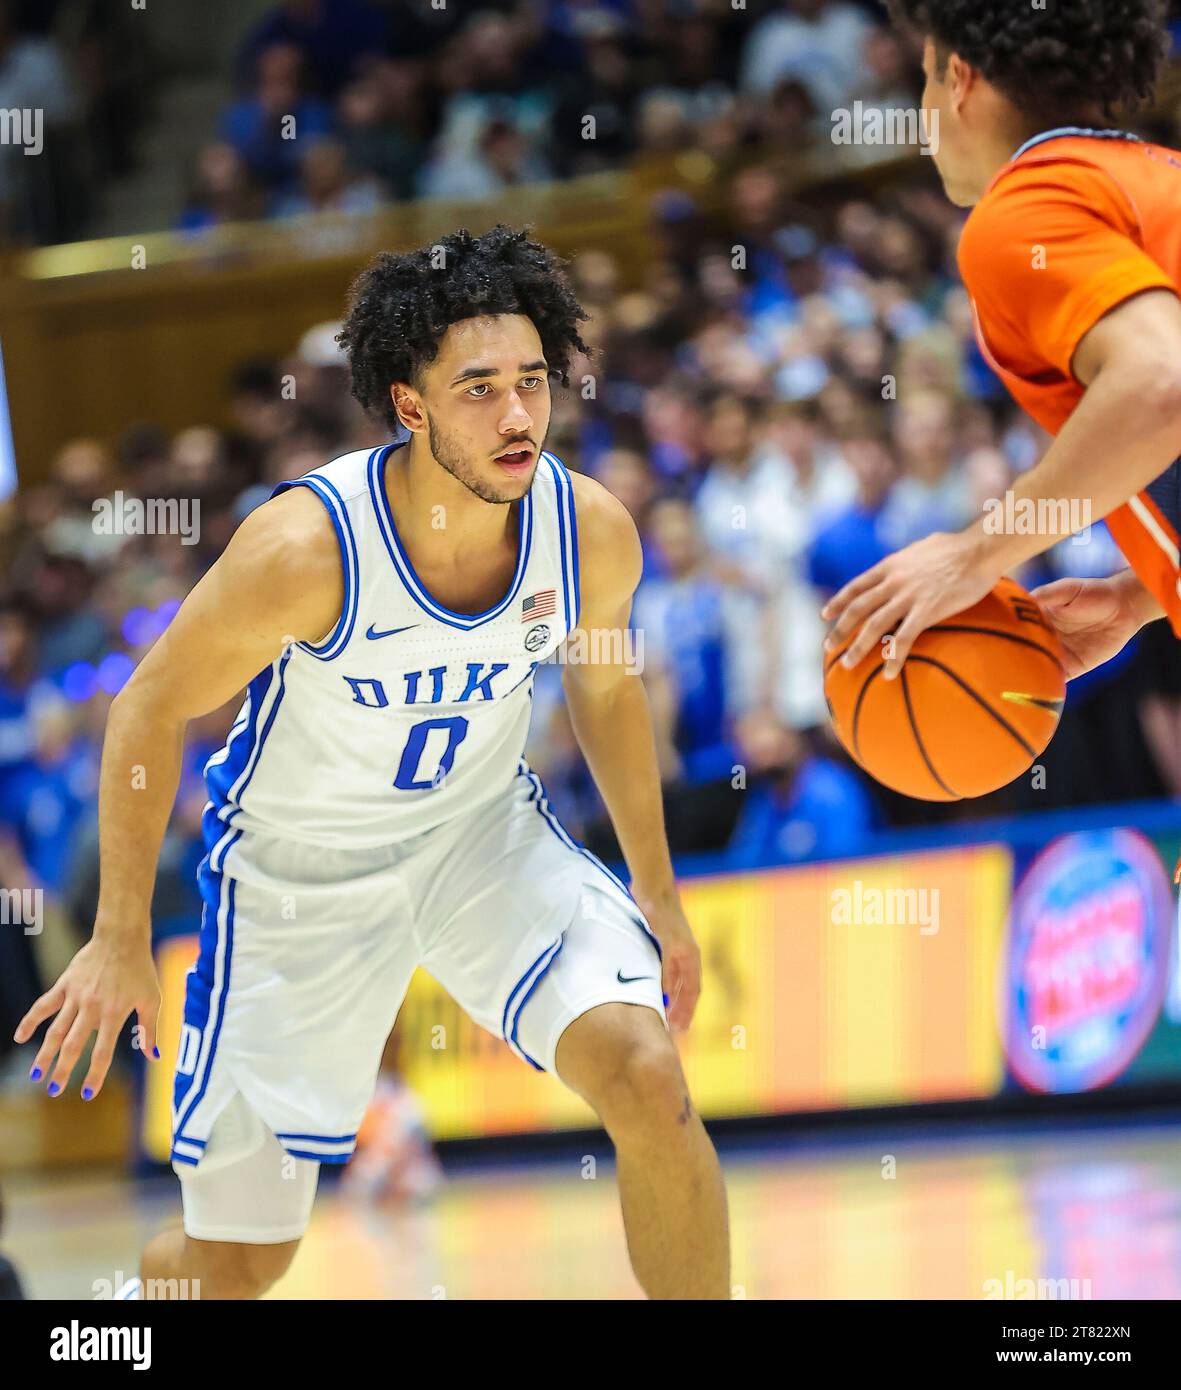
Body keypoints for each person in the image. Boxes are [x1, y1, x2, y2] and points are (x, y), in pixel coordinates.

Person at [14, 226, 729, 1301]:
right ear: (410, 405)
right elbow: (147, 710)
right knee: (237, 1262)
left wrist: (658, 894)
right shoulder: (305, 551)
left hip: (479, 839)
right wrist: (118, 936)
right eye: (479, 388)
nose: (519, 414)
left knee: (644, 1070)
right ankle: (113, 1322)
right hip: (300, 880)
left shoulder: (587, 531)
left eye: (531, 380)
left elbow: (604, 689)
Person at [822, 0, 1181, 687]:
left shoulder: (1024, 207)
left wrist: (973, 554)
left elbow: (1161, 383)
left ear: (958, 79)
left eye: (922, 82)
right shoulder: (1158, 172)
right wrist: (1144, 595)